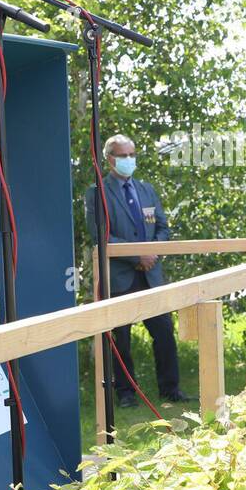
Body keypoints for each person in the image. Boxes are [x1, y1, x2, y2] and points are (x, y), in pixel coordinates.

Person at [84, 134, 191, 408]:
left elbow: (163, 227)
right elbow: (101, 236)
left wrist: (153, 251)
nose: (129, 160)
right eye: (123, 155)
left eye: (132, 154)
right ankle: (126, 393)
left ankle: (170, 389)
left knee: (164, 333)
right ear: (110, 159)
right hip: (121, 277)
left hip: (151, 276)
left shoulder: (146, 190)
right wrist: (136, 255)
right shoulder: (97, 193)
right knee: (121, 340)